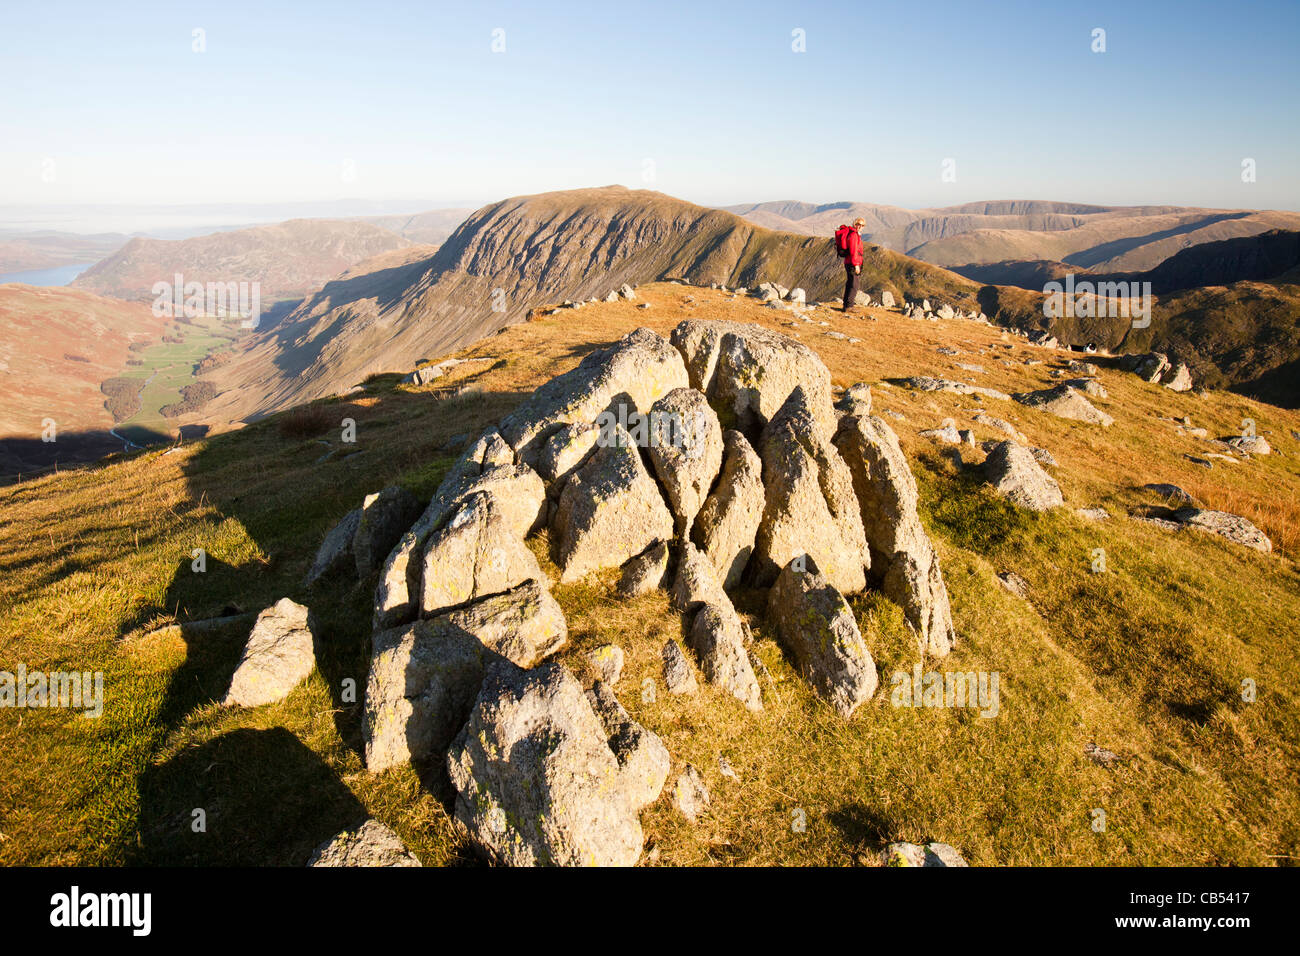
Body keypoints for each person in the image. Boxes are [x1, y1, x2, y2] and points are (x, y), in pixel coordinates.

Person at [837, 217, 866, 312]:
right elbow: (854, 251)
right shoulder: (854, 235)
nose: (860, 227)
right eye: (858, 224)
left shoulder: (855, 234)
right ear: (854, 224)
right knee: (854, 284)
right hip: (852, 263)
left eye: (862, 225)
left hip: (849, 262)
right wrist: (856, 264)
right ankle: (849, 306)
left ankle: (846, 305)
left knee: (850, 283)